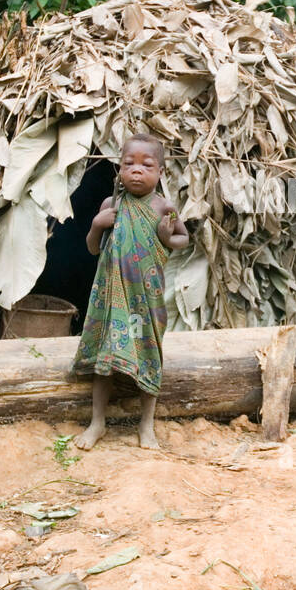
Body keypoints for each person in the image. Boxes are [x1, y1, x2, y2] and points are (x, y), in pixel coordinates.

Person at [72, 134, 189, 450]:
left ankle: (146, 425)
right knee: (104, 359)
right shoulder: (111, 205)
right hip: (111, 298)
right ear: (118, 171)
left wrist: (167, 237)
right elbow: (93, 249)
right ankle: (97, 422)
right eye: (129, 164)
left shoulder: (164, 207)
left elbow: (184, 240)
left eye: (147, 165)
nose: (137, 171)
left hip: (147, 300)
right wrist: (97, 224)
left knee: (150, 354)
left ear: (161, 172)